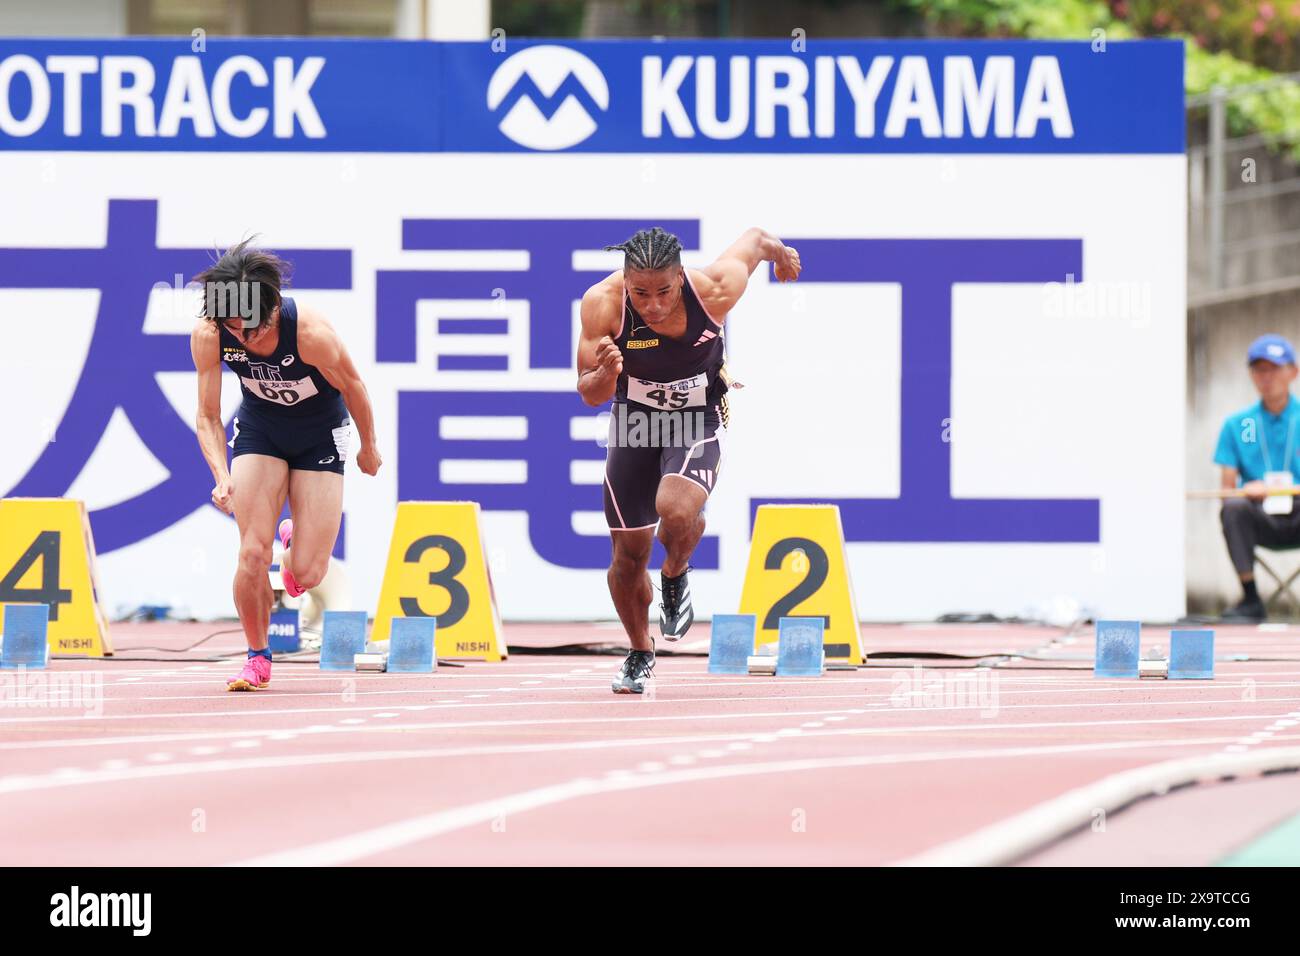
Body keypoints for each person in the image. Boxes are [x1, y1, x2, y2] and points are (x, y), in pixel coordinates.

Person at [576, 226, 801, 693]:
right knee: (626, 559)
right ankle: (639, 652)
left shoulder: (714, 290)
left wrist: (780, 255)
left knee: (675, 509)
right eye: (640, 293)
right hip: (635, 425)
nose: (653, 305)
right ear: (625, 282)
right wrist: (606, 372)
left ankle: (676, 570)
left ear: (681, 277)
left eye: (663, 291)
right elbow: (589, 395)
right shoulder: (603, 303)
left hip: (695, 419)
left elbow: (756, 240)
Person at [190, 240, 381, 690]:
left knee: (308, 574)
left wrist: (368, 446)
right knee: (252, 552)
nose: (242, 336)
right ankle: (257, 656)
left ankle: (296, 544)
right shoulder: (211, 333)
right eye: (231, 327)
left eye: (250, 328)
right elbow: (208, 415)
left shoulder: (312, 333)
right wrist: (221, 474)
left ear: (272, 309)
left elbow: (354, 389)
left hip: (319, 436)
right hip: (261, 432)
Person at [1214, 333, 1300, 621]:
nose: (1266, 376)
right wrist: (1244, 491)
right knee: (1233, 508)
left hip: (1298, 509)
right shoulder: (1236, 424)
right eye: (1259, 369)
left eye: (1274, 368)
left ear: (1293, 372)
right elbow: (1226, 491)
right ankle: (1251, 598)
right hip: (1260, 514)